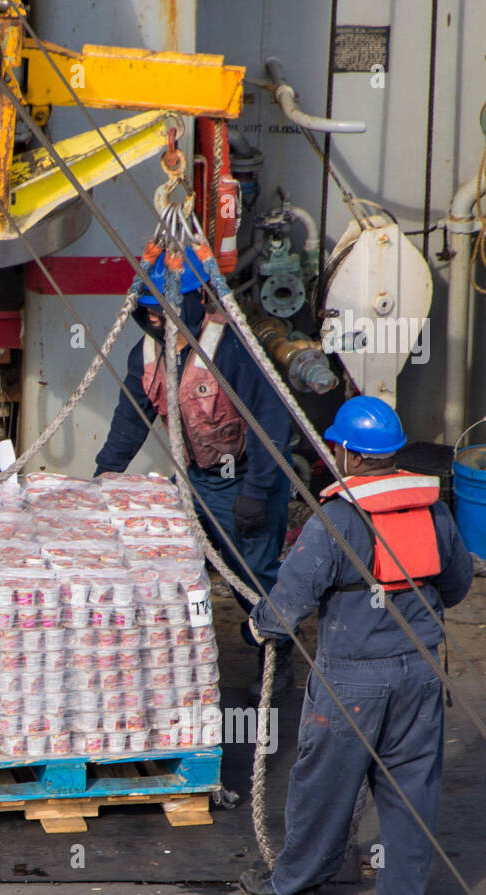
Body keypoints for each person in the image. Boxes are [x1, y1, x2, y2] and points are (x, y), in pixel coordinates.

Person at [239, 396, 473, 895]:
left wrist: (256, 628)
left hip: (352, 680)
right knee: (412, 788)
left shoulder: (335, 522)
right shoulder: (432, 509)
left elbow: (287, 606)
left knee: (323, 786)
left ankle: (296, 883)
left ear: (349, 454)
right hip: (421, 670)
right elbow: (456, 584)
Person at [94, 247, 296, 700]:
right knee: (166, 563)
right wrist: (107, 472)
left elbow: (272, 423)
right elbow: (132, 415)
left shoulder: (232, 350)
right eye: (144, 311)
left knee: (255, 574)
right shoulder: (145, 353)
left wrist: (257, 493)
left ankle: (276, 656)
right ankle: (172, 663)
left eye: (160, 309)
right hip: (193, 479)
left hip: (245, 478)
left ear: (195, 301)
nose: (153, 320)